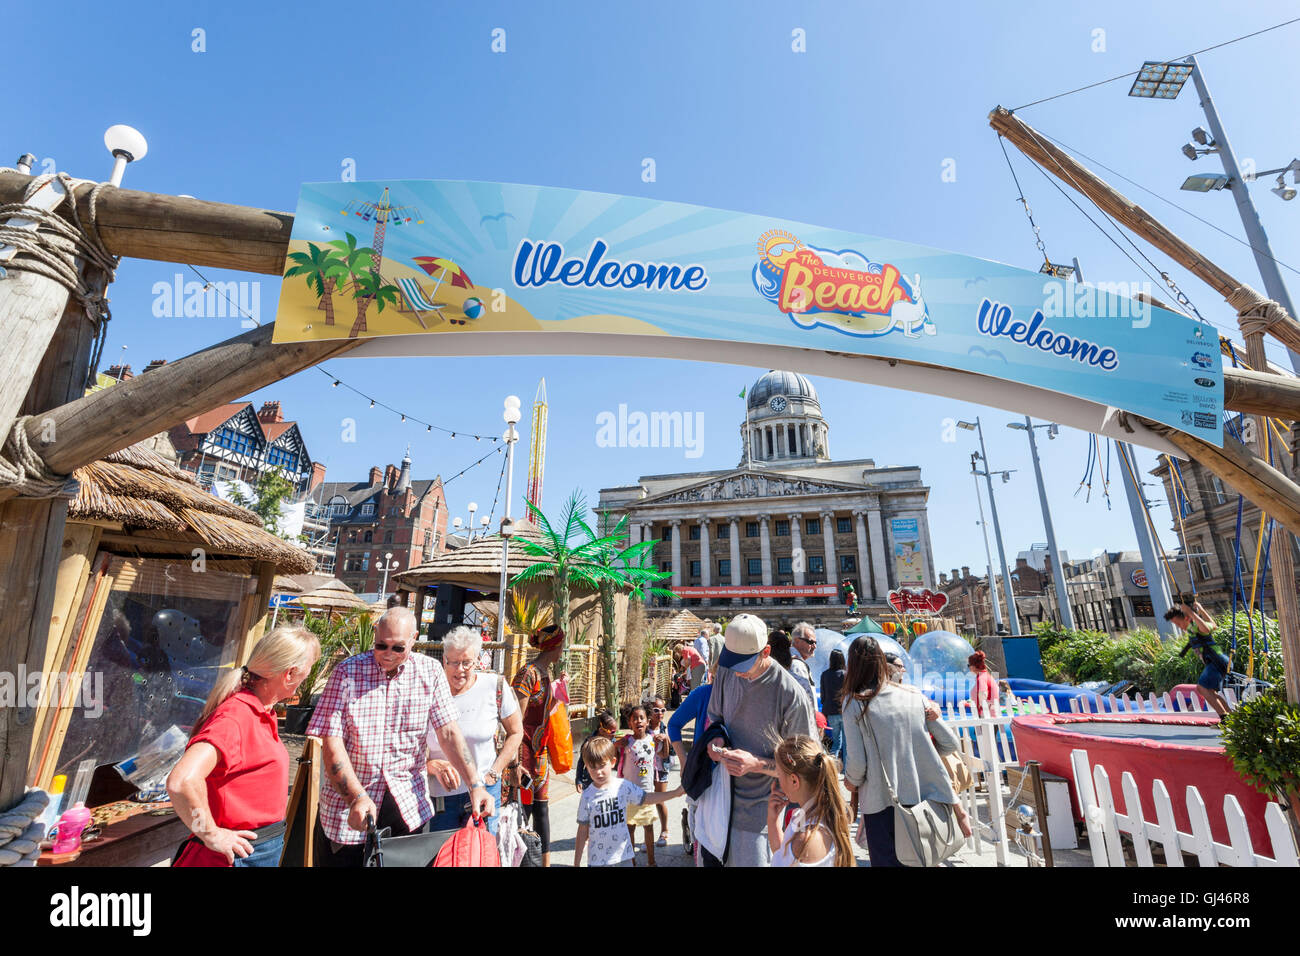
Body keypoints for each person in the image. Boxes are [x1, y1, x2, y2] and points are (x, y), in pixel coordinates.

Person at [307, 608, 491, 867]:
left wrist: (475, 784)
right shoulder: (346, 673)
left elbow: (448, 732)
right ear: (375, 636)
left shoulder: (430, 672)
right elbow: (332, 744)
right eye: (381, 645)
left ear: (414, 639)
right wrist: (356, 797)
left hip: (406, 804)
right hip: (350, 807)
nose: (388, 654)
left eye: (398, 648)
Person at [168, 626, 320, 866]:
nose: (304, 681)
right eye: (307, 671)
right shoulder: (235, 716)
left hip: (257, 850)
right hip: (232, 858)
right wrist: (210, 833)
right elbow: (181, 781)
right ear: (290, 674)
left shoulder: (262, 711)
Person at [842, 635, 969, 867]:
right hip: (923, 797)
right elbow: (950, 743)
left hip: (881, 801)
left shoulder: (855, 702)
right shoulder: (914, 695)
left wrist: (850, 781)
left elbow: (858, 763)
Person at [705, 613, 816, 867]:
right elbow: (716, 721)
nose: (738, 674)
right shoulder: (726, 669)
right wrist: (717, 743)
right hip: (718, 804)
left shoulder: (790, 695)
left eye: (744, 666)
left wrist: (755, 764)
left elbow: (805, 769)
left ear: (766, 652)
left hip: (761, 817)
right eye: (732, 664)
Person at [426, 626, 523, 835]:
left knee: (481, 855)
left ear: (477, 660)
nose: (459, 669)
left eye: (466, 662)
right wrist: (430, 765)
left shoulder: (494, 686)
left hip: (485, 791)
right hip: (441, 798)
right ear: (444, 660)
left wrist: (495, 772)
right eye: (453, 662)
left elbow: (516, 732)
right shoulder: (428, 691)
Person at [574, 736, 682, 867]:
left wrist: (675, 793)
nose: (598, 772)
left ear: (613, 762)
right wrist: (577, 863)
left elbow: (647, 798)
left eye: (602, 765)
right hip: (598, 861)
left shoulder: (623, 786)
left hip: (623, 857)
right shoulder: (587, 796)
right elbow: (582, 831)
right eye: (592, 767)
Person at [511, 623, 565, 866]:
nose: (563, 650)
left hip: (539, 752)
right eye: (562, 646)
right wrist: (513, 762)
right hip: (523, 752)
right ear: (555, 647)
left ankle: (545, 863)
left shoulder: (546, 672)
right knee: (523, 812)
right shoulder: (528, 674)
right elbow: (514, 720)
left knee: (542, 810)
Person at [766, 735, 855, 867]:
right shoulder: (804, 815)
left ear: (794, 781)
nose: (777, 782)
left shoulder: (807, 839)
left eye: (779, 775)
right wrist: (773, 821)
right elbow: (783, 854)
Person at [615, 703, 663, 864]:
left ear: (647, 721)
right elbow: (610, 750)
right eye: (634, 719)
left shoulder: (652, 740)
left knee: (648, 828)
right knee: (630, 828)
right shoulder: (626, 741)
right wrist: (615, 743)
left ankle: (651, 861)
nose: (638, 721)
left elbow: (664, 754)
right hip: (629, 794)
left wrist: (666, 739)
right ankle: (632, 861)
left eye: (641, 718)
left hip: (647, 793)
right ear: (629, 723)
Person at [1169, 599, 1230, 717]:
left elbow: (1207, 629)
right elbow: (1214, 625)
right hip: (1216, 661)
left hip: (1216, 660)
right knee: (1211, 692)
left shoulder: (1194, 627)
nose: (1179, 627)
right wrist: (1201, 610)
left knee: (1202, 688)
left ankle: (1224, 718)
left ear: (1186, 618)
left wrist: (1192, 613)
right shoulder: (1192, 628)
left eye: (1178, 623)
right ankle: (1232, 717)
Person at [646, 696, 673, 847]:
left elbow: (667, 754)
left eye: (663, 710)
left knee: (660, 800)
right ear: (650, 712)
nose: (660, 713)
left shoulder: (666, 728)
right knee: (647, 801)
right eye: (656, 710)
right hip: (646, 769)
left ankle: (664, 831)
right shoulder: (644, 727)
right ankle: (647, 835)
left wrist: (665, 739)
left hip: (661, 768)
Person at [575, 710, 619, 792]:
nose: (615, 734)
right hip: (590, 782)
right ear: (602, 730)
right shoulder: (589, 743)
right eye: (612, 732)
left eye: (616, 731)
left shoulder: (612, 741)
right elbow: (581, 762)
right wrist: (578, 779)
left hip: (605, 782)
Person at [820, 648, 846, 765]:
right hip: (845, 711)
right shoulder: (845, 674)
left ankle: (833, 767)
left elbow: (823, 695)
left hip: (831, 712)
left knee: (836, 742)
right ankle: (845, 769)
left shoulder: (825, 674)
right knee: (847, 743)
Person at [790, 622, 819, 703]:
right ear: (797, 641)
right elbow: (806, 700)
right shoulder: (796, 665)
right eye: (810, 642)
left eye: (815, 643)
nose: (814, 646)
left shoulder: (794, 661)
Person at [968, 650, 999, 717]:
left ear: (973, 666)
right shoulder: (987, 676)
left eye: (969, 665)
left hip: (986, 716)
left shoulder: (981, 678)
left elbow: (983, 694)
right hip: (993, 715)